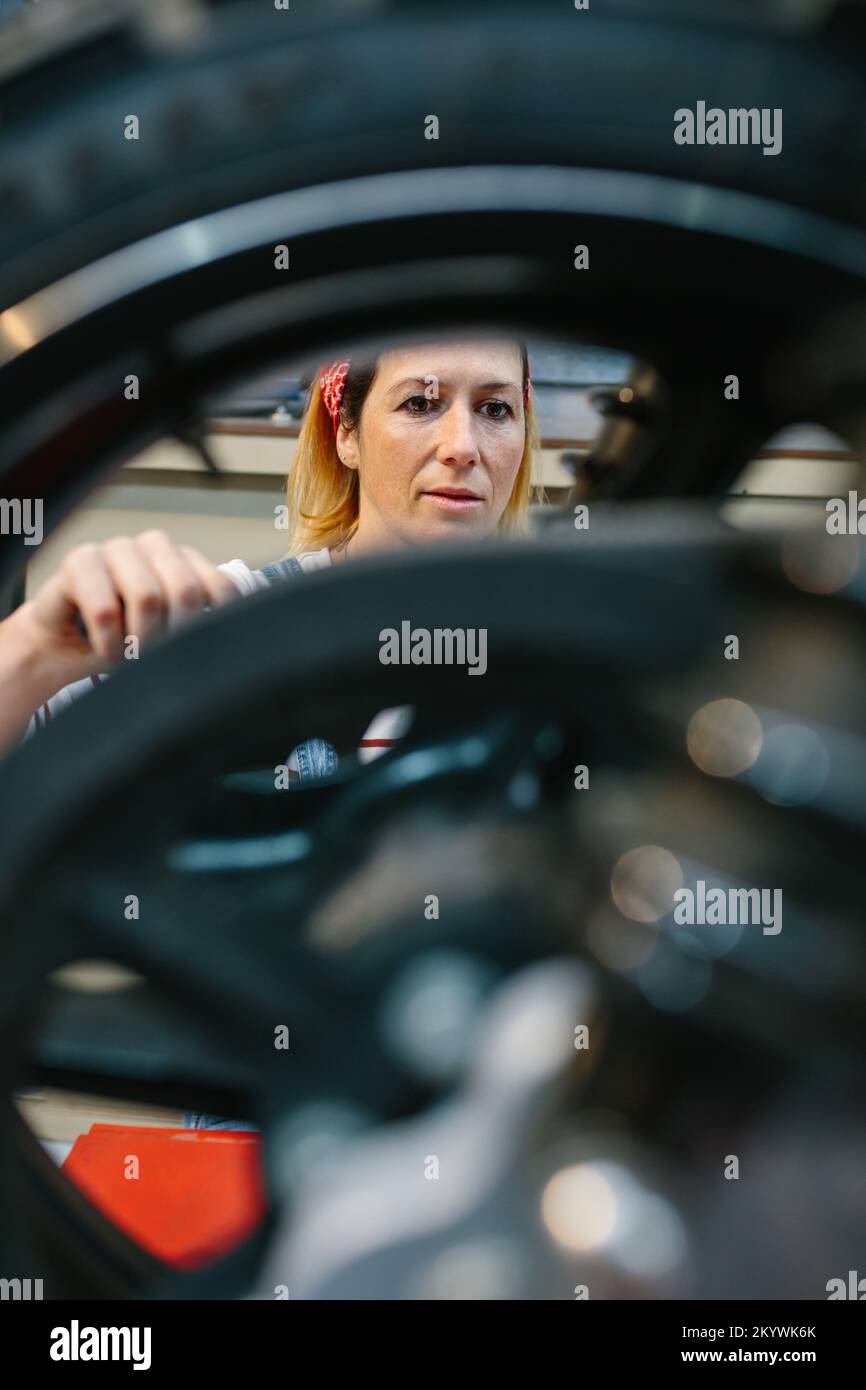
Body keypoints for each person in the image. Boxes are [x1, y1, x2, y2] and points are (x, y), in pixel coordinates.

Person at [0, 336, 538, 1124]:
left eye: (495, 410)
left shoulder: (565, 660)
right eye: (420, 403)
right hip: (266, 1118)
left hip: (490, 1128)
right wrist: (37, 649)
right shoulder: (226, 626)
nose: (461, 446)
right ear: (345, 432)